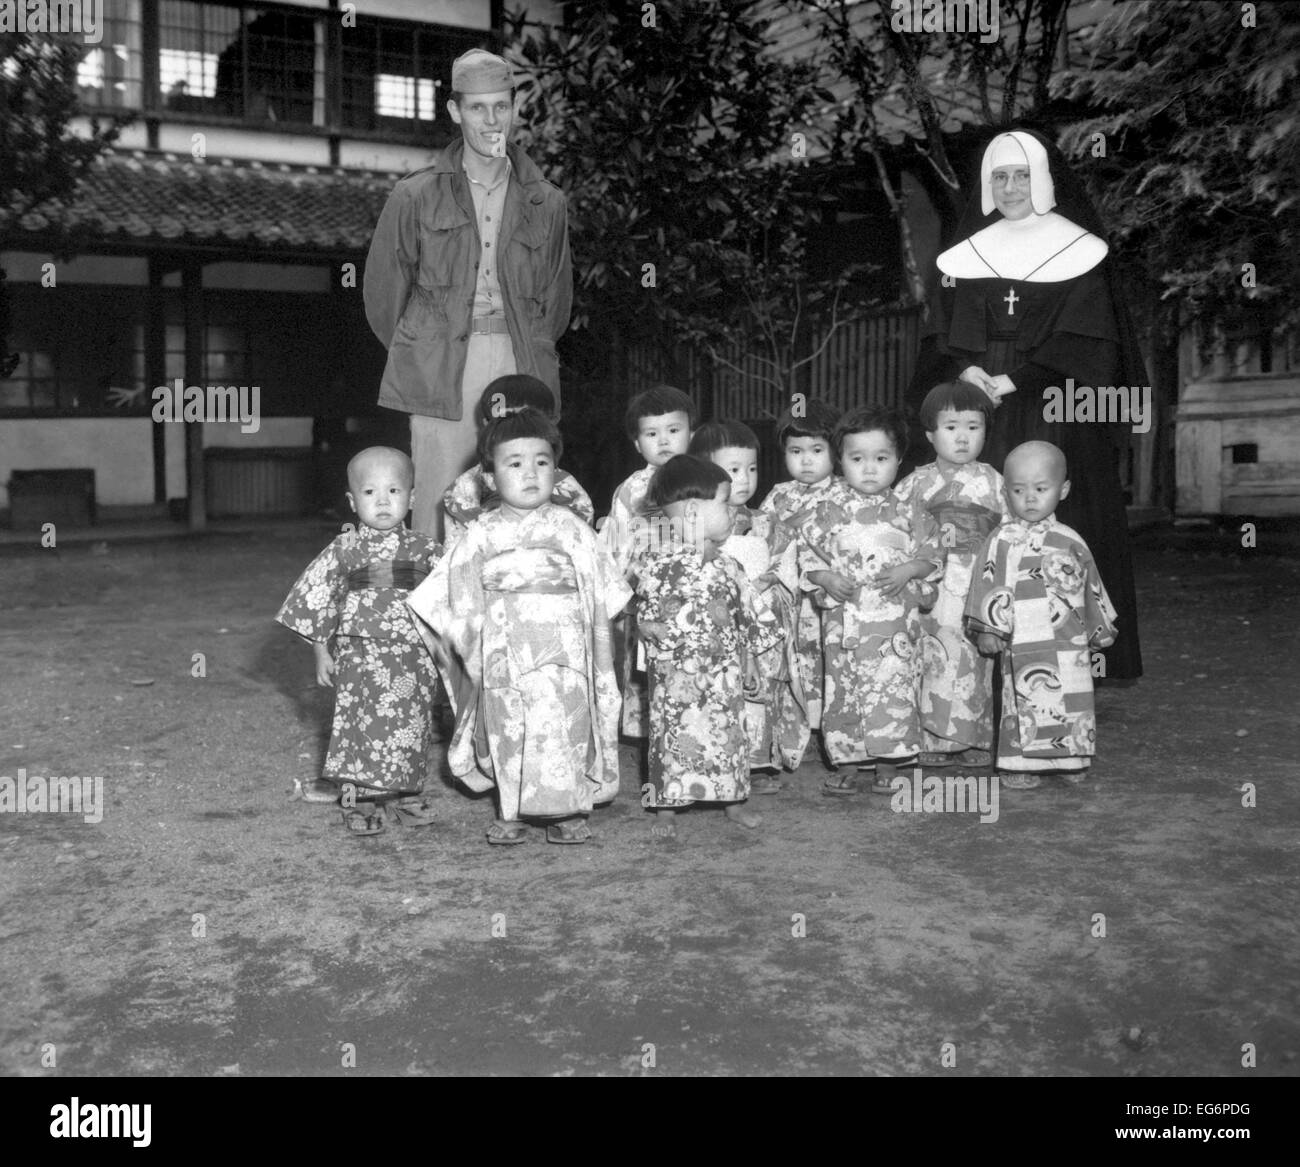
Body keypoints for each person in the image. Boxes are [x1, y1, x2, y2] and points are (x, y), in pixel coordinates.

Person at [907, 128, 1142, 679]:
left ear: (1042, 179)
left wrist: (1014, 380)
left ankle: (1065, 651)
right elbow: (940, 333)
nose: (1010, 186)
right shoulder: (963, 253)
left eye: (1020, 174)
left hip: (1052, 406)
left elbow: (1089, 342)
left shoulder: (1081, 251)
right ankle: (976, 650)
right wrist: (964, 368)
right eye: (999, 176)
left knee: (1050, 515)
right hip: (978, 404)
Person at [364, 48, 573, 542]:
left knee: (519, 496)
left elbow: (556, 301)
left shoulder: (547, 201)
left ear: (515, 107)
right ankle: (435, 617)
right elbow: (382, 294)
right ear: (455, 111)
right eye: (477, 107)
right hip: (439, 365)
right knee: (439, 502)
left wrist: (529, 348)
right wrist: (421, 348)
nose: (491, 119)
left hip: (519, 359)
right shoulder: (414, 195)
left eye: (501, 105)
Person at [406, 408, 629, 845]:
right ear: (489, 478)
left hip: (566, 653)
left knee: (566, 724)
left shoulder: (574, 530)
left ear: (556, 469)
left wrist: (595, 639)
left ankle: (568, 807)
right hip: (504, 651)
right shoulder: (480, 533)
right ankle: (511, 809)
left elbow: (607, 593)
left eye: (542, 461)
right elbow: (448, 594)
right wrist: (471, 639)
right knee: (509, 727)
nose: (530, 473)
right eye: (514, 463)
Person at [275, 447, 442, 836]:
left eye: (394, 491)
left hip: (412, 656)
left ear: (413, 497)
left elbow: (447, 601)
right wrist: (321, 650)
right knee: (357, 728)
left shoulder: (428, 550)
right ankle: (359, 801)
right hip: (359, 654)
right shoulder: (344, 549)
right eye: (370, 493)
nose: (382, 501)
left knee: (411, 726)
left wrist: (446, 649)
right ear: (352, 501)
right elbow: (319, 597)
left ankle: (407, 794)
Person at [631, 455, 782, 839]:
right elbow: (645, 616)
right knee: (670, 734)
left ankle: (733, 800)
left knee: (729, 733)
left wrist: (748, 662)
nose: (734, 512)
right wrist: (650, 632)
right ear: (695, 511)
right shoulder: (656, 563)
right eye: (726, 504)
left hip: (724, 671)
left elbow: (746, 616)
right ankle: (666, 805)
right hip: (676, 674)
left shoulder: (731, 565)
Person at [965, 441, 1118, 789]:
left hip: (1067, 641)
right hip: (1020, 641)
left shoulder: (1070, 540)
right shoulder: (1000, 539)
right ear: (1006, 493)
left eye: (1040, 488)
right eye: (1019, 490)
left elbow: (1091, 587)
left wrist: (1099, 632)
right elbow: (986, 583)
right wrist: (988, 629)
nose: (1029, 498)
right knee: (1020, 703)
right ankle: (1019, 764)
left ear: (1063, 490)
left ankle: (1070, 757)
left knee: (1073, 697)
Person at [802, 406, 938, 797]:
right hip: (846, 621)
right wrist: (825, 577)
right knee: (843, 689)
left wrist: (911, 569)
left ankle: (888, 762)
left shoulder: (911, 509)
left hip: (893, 624)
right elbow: (806, 556)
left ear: (898, 459)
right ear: (840, 461)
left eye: (881, 458)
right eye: (857, 459)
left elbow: (933, 553)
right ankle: (847, 762)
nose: (870, 469)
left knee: (894, 689)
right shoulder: (826, 511)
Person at [895, 381, 1010, 769]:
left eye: (973, 427)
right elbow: (897, 534)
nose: (962, 437)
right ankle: (929, 739)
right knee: (930, 659)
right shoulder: (914, 484)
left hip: (978, 582)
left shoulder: (996, 483)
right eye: (951, 427)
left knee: (977, 662)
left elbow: (1011, 533)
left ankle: (975, 739)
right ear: (930, 434)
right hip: (932, 586)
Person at [688, 421, 799, 790]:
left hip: (763, 616)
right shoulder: (694, 526)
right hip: (718, 621)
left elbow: (787, 563)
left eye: (751, 468)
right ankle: (718, 761)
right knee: (719, 687)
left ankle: (759, 761)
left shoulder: (767, 521)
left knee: (761, 686)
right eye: (733, 470)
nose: (745, 479)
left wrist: (772, 580)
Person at [598, 384, 696, 740]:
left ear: (691, 433)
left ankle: (689, 728)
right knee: (643, 659)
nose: (664, 440)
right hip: (646, 590)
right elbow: (617, 540)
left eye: (674, 430)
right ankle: (651, 735)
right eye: (652, 434)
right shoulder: (632, 489)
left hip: (693, 588)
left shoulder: (703, 480)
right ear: (638, 444)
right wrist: (622, 585)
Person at [759, 398, 841, 772]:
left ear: (834, 452)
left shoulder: (844, 494)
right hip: (791, 601)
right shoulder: (778, 495)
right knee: (796, 665)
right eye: (796, 451)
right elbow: (761, 542)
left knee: (830, 662)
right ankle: (799, 730)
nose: (806, 460)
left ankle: (832, 733)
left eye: (816, 450)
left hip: (831, 600)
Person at [441, 373, 593, 547]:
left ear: (552, 426)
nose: (518, 431)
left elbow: (583, 546)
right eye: (506, 423)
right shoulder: (464, 488)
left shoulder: (568, 488)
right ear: (486, 426)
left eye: (531, 423)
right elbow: (456, 556)